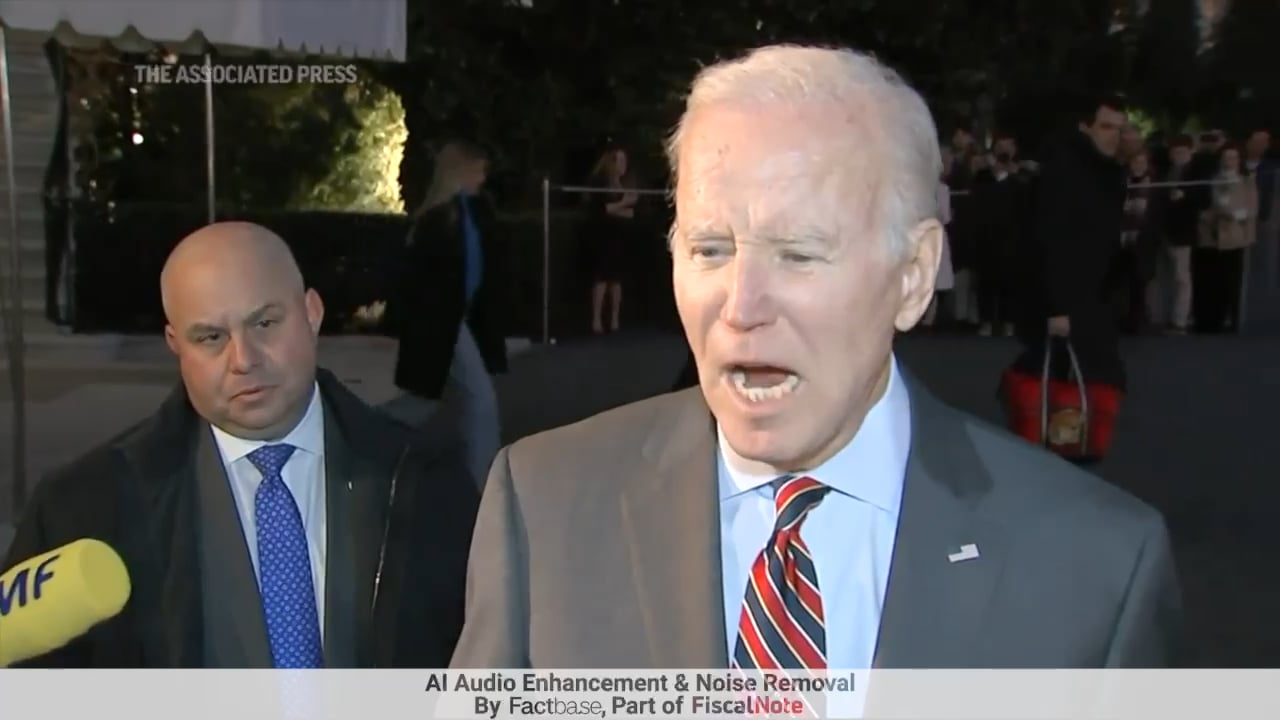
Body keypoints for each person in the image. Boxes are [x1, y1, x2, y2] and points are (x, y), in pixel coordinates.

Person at [450, 45, 1182, 670]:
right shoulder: (540, 506)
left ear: (914, 275)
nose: (740, 306)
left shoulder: (1099, 567)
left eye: (798, 254)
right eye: (709, 249)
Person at [3, 222, 479, 667]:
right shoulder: (80, 511)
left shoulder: (428, 478)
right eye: (210, 337)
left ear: (312, 313)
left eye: (265, 324)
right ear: (176, 344)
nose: (243, 359)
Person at [384, 141, 507, 487]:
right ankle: (487, 480)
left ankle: (361, 432)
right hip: (443, 322)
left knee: (422, 402)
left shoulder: (469, 212)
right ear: (461, 172)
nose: (483, 177)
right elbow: (422, 283)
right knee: (478, 398)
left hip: (452, 320)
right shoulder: (440, 220)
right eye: (477, 169)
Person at [1013, 94, 1129, 391]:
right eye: (1106, 127)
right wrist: (1057, 308)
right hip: (1065, 305)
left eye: (1119, 128)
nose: (1114, 136)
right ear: (1085, 127)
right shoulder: (1062, 173)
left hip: (1094, 304)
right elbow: (1049, 240)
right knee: (1059, 397)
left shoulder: (1110, 174)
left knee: (1088, 395)